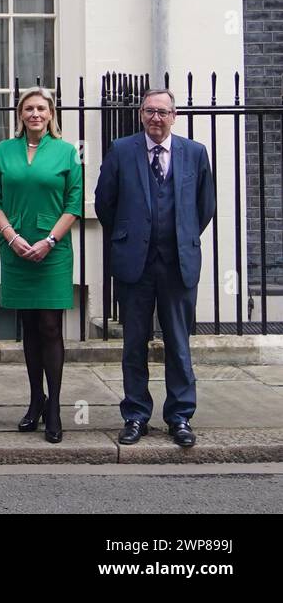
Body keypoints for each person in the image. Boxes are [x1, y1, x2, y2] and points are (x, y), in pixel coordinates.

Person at [95, 87, 215, 449]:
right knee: (134, 344)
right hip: (136, 265)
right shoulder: (121, 150)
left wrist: (179, 236)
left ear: (174, 116)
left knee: (178, 344)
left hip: (178, 264)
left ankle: (180, 417)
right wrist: (131, 236)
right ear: (141, 115)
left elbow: (204, 207)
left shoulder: (194, 153)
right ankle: (135, 415)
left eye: (162, 112)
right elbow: (105, 204)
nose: (156, 118)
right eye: (149, 111)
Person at [0, 86, 83, 444]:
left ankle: (55, 406)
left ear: (51, 113)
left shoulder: (66, 152)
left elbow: (74, 204)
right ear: (20, 114)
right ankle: (35, 400)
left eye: (41, 108)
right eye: (28, 108)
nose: (35, 114)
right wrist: (12, 236)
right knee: (28, 327)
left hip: (52, 251)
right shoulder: (3, 151)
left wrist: (49, 241)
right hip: (16, 248)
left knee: (50, 327)